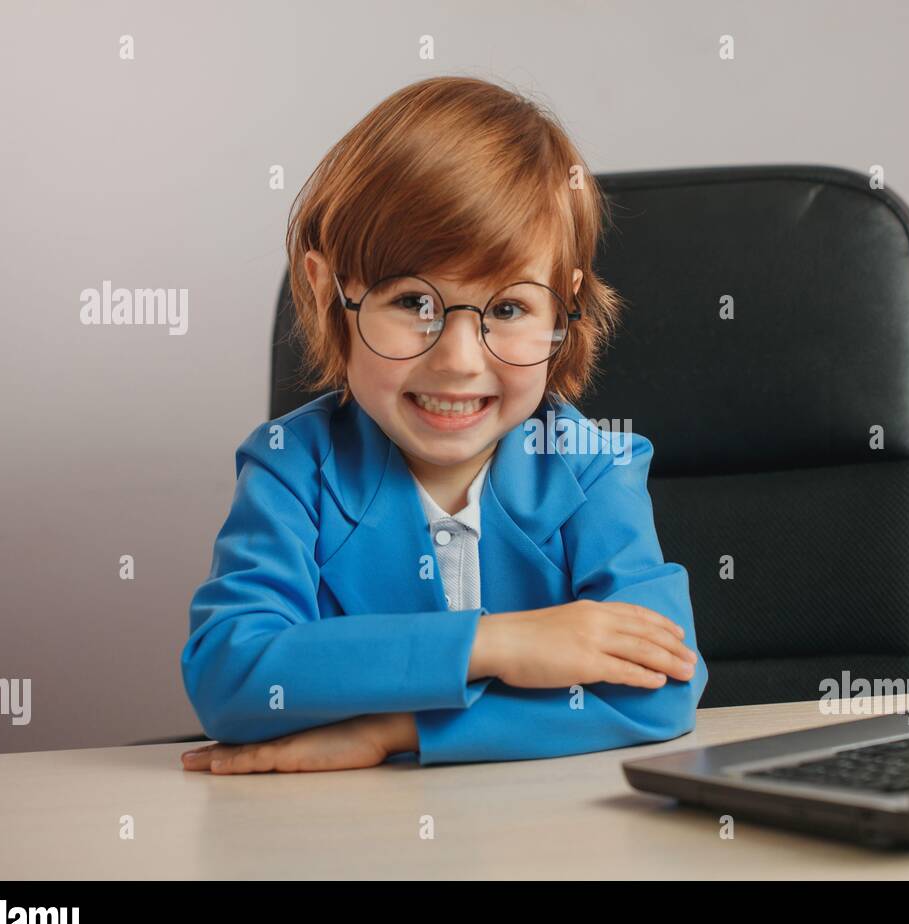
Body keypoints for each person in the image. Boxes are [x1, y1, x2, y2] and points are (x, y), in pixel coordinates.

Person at [180, 76, 705, 773]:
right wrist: (498, 644)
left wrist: (398, 730)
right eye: (411, 301)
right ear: (325, 290)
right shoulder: (290, 469)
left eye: (510, 310)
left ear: (564, 307)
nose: (459, 361)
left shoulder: (591, 465)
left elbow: (661, 691)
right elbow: (232, 676)